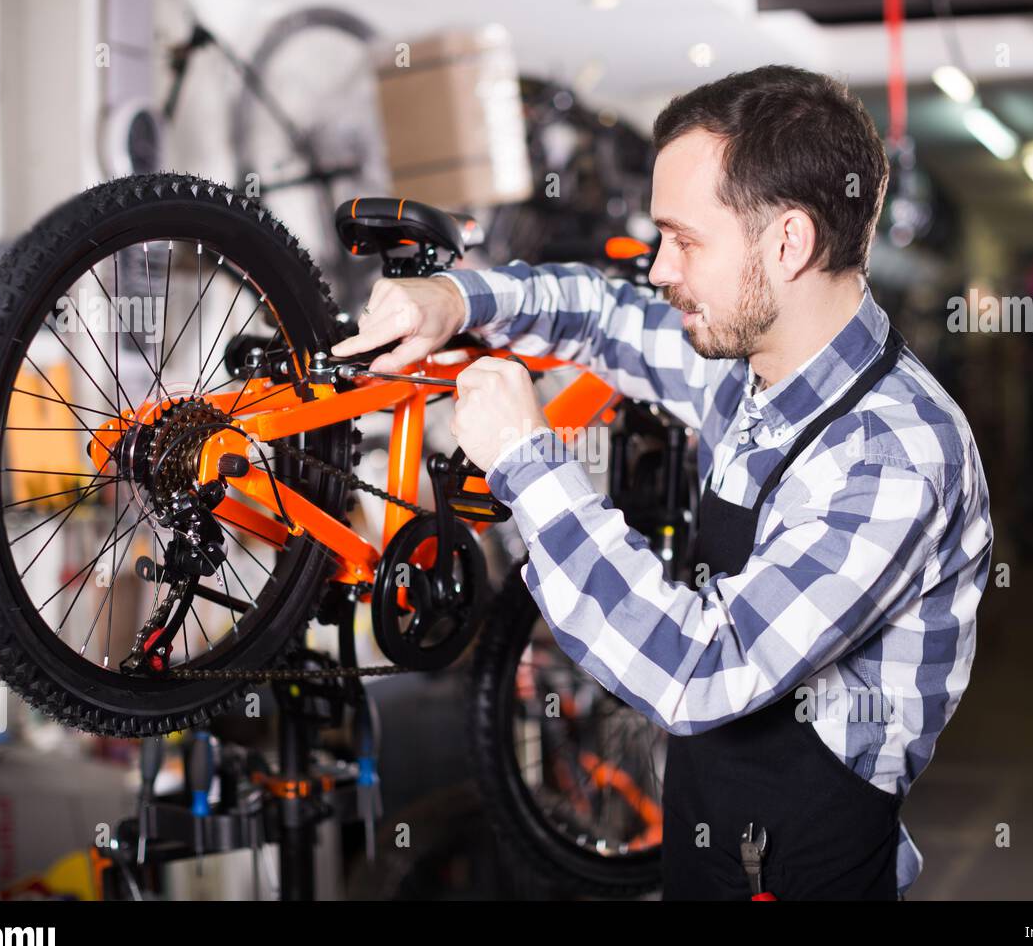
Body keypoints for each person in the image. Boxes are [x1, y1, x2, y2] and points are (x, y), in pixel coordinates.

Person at [332, 64, 993, 901]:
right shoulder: (754, 371)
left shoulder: (894, 454)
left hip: (804, 875)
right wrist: (454, 298)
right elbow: (605, 314)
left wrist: (529, 460)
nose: (658, 266)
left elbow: (700, 665)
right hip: (708, 847)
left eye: (684, 239)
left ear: (788, 243)